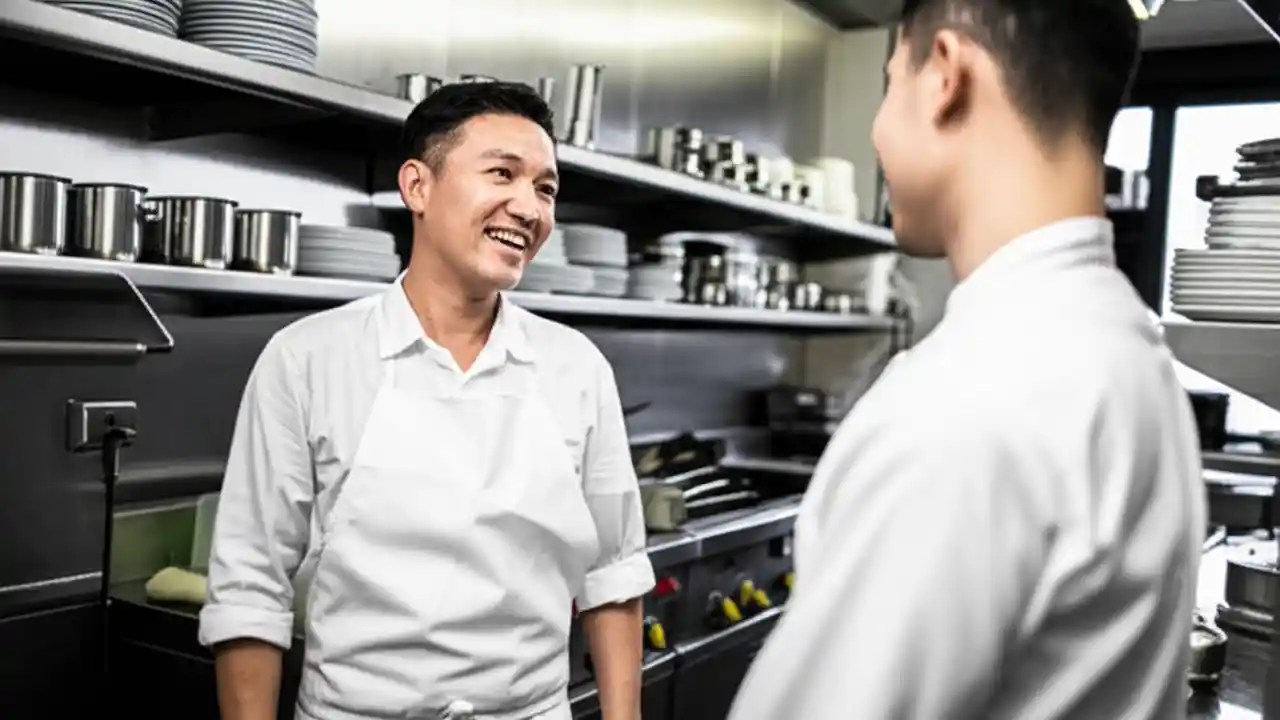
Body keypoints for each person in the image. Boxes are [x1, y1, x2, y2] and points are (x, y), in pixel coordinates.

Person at [729, 2, 1205, 719]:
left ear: (945, 76)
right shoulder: (1130, 352)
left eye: (891, 82)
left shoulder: (967, 402)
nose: (877, 129)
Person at [198, 81, 655, 720]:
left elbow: (614, 574)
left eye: (546, 188)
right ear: (418, 186)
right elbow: (250, 588)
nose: (529, 208)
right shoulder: (307, 358)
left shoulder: (576, 367)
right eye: (502, 173)